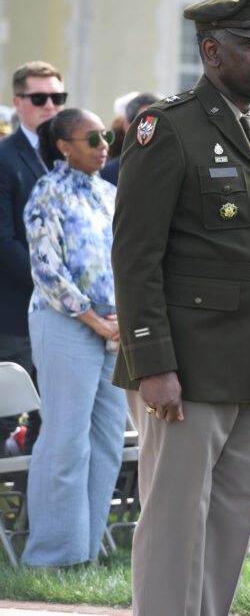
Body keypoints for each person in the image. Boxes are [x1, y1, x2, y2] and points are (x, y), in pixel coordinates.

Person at [111, 0, 250, 615]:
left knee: (229, 523)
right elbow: (137, 258)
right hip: (186, 367)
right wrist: (153, 364)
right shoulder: (166, 129)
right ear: (212, 51)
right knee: (174, 520)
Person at [20, 108, 125, 567]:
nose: (104, 145)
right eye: (93, 138)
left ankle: (84, 552)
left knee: (106, 443)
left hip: (114, 328)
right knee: (66, 440)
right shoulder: (47, 192)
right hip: (65, 324)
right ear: (64, 146)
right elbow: (47, 269)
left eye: (106, 136)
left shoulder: (110, 193)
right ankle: (51, 556)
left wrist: (122, 318)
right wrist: (94, 320)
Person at [0, 61, 64, 454]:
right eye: (39, 98)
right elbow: (3, 239)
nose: (50, 106)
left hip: (63, 318)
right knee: (5, 417)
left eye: (58, 97)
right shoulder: (5, 157)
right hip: (14, 315)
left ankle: (35, 508)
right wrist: (51, 284)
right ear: (17, 102)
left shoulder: (67, 154)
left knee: (53, 418)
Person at [100, 92, 160, 186]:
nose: (155, 129)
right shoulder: (106, 174)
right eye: (148, 123)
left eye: (162, 122)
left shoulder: (182, 170)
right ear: (128, 127)